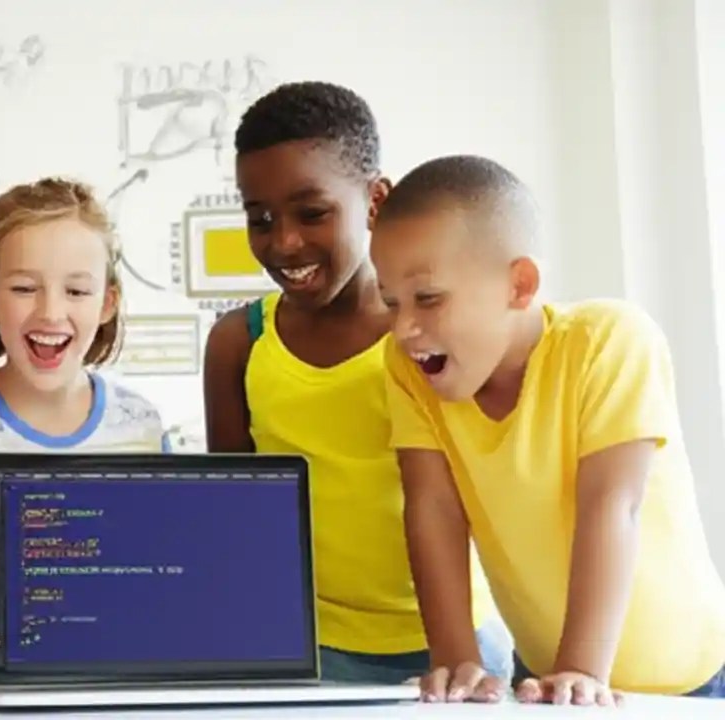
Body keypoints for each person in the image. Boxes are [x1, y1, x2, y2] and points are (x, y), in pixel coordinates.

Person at [372, 154, 725, 704]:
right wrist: (455, 659)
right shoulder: (409, 370)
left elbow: (613, 505)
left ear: (520, 284)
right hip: (542, 676)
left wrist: (582, 668)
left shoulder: (608, 340)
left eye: (428, 298)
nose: (403, 327)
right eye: (390, 301)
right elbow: (432, 509)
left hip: (686, 681)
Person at [202, 82, 509, 685]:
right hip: (298, 651)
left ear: (375, 202)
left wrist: (457, 658)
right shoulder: (239, 342)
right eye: (260, 219)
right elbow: (234, 518)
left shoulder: (430, 339)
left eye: (312, 213)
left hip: (453, 650)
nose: (284, 241)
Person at [0, 178, 167, 649]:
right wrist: (28, 663)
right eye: (24, 287)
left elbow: (156, 579)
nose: (50, 312)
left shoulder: (141, 425)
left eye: (77, 292)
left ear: (107, 303)